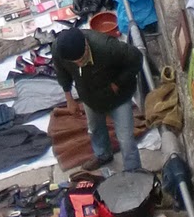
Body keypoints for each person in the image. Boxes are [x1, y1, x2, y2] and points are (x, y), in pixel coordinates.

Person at [52, 27, 143, 173]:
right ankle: (103, 155)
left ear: (87, 45)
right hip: (89, 95)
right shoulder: (59, 49)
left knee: (126, 138)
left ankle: (133, 171)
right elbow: (62, 72)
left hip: (118, 96)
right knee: (95, 129)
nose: (79, 64)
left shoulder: (108, 47)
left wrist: (118, 83)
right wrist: (69, 98)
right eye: (75, 62)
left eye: (82, 59)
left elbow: (136, 58)